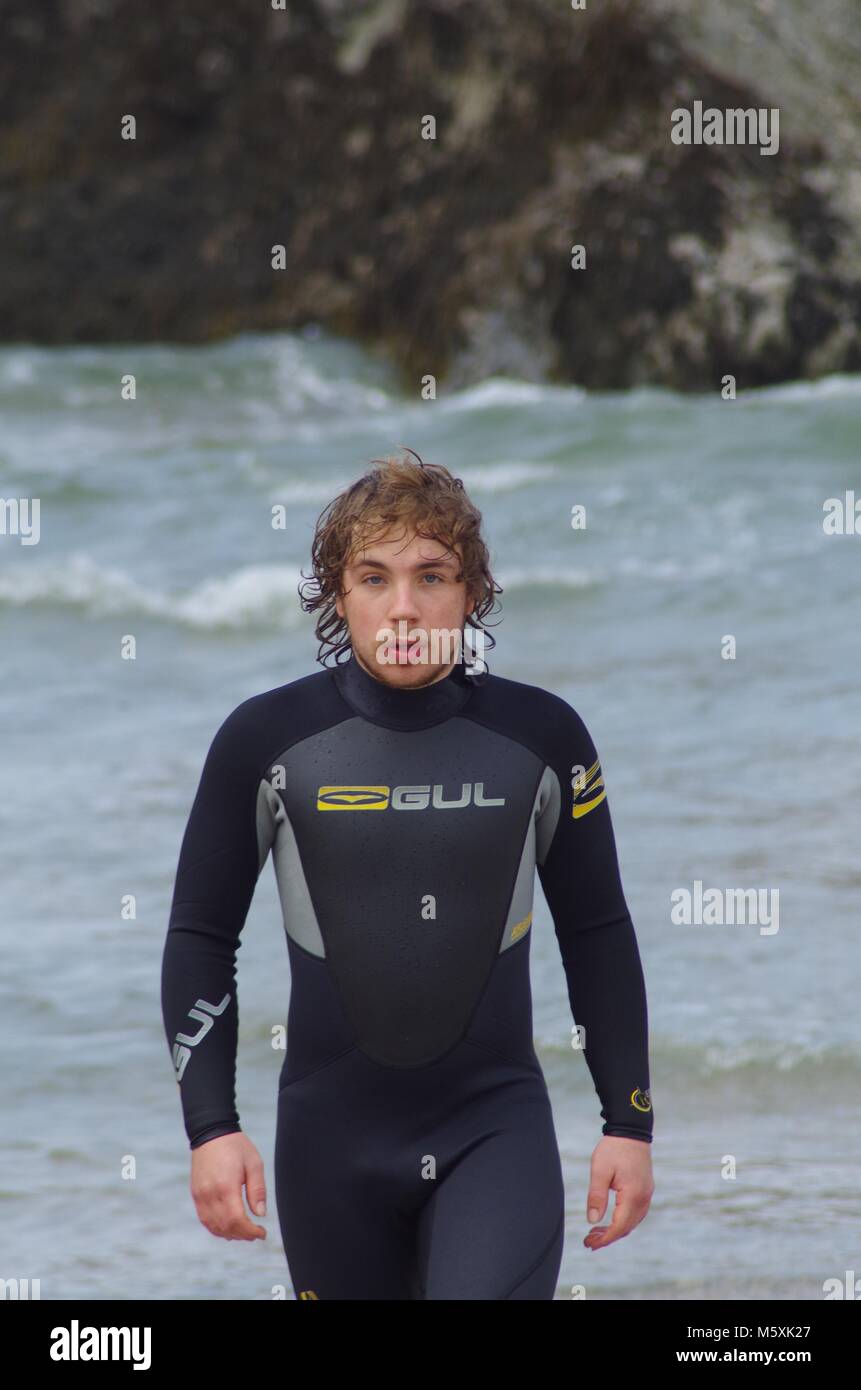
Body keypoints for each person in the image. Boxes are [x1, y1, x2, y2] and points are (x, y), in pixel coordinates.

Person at [161, 450, 654, 1299]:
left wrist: (628, 1122)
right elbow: (202, 937)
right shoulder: (264, 740)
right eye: (374, 577)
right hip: (328, 1146)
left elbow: (598, 934)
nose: (403, 608)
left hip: (492, 1132)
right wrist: (211, 1127)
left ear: (471, 594)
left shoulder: (543, 737)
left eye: (432, 576)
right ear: (336, 595)